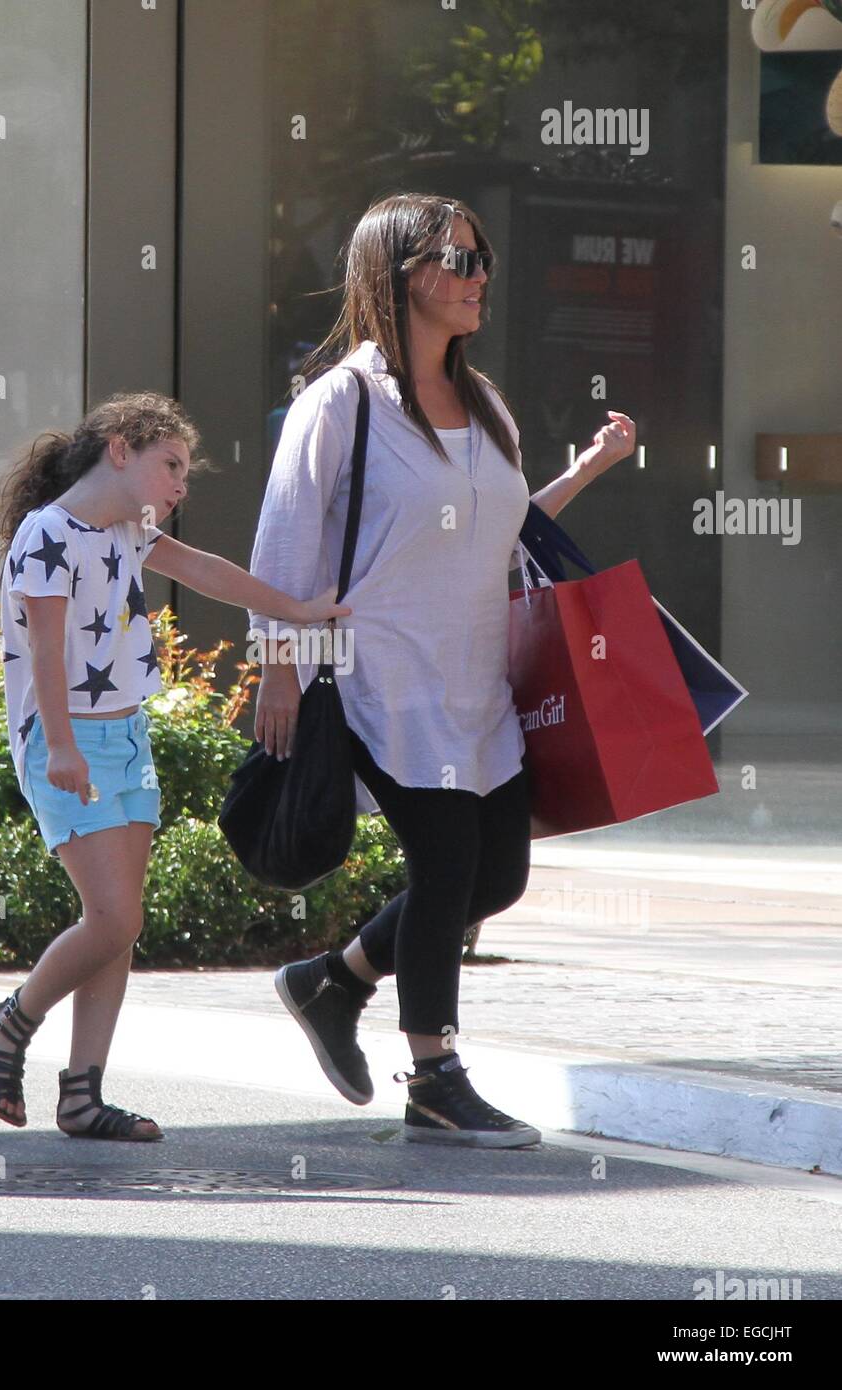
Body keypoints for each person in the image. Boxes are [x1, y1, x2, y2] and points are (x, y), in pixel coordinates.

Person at [247, 193, 635, 1147]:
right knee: (445, 863)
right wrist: (279, 672)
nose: (475, 277)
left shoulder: (486, 402)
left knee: (493, 877)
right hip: (380, 675)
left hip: (475, 681)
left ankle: (330, 981)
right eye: (454, 260)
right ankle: (434, 1075)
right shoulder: (340, 401)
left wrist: (584, 471)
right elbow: (285, 546)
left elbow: (493, 530)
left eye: (478, 258)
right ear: (398, 274)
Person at [0, 392, 350, 1139]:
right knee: (114, 917)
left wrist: (299, 613)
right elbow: (46, 654)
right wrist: (66, 748)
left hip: (126, 736)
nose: (179, 485)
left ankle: (82, 1095)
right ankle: (8, 1023)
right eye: (169, 465)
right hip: (63, 740)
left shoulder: (130, 528)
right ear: (119, 448)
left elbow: (209, 573)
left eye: (185, 473)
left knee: (115, 925)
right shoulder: (48, 535)